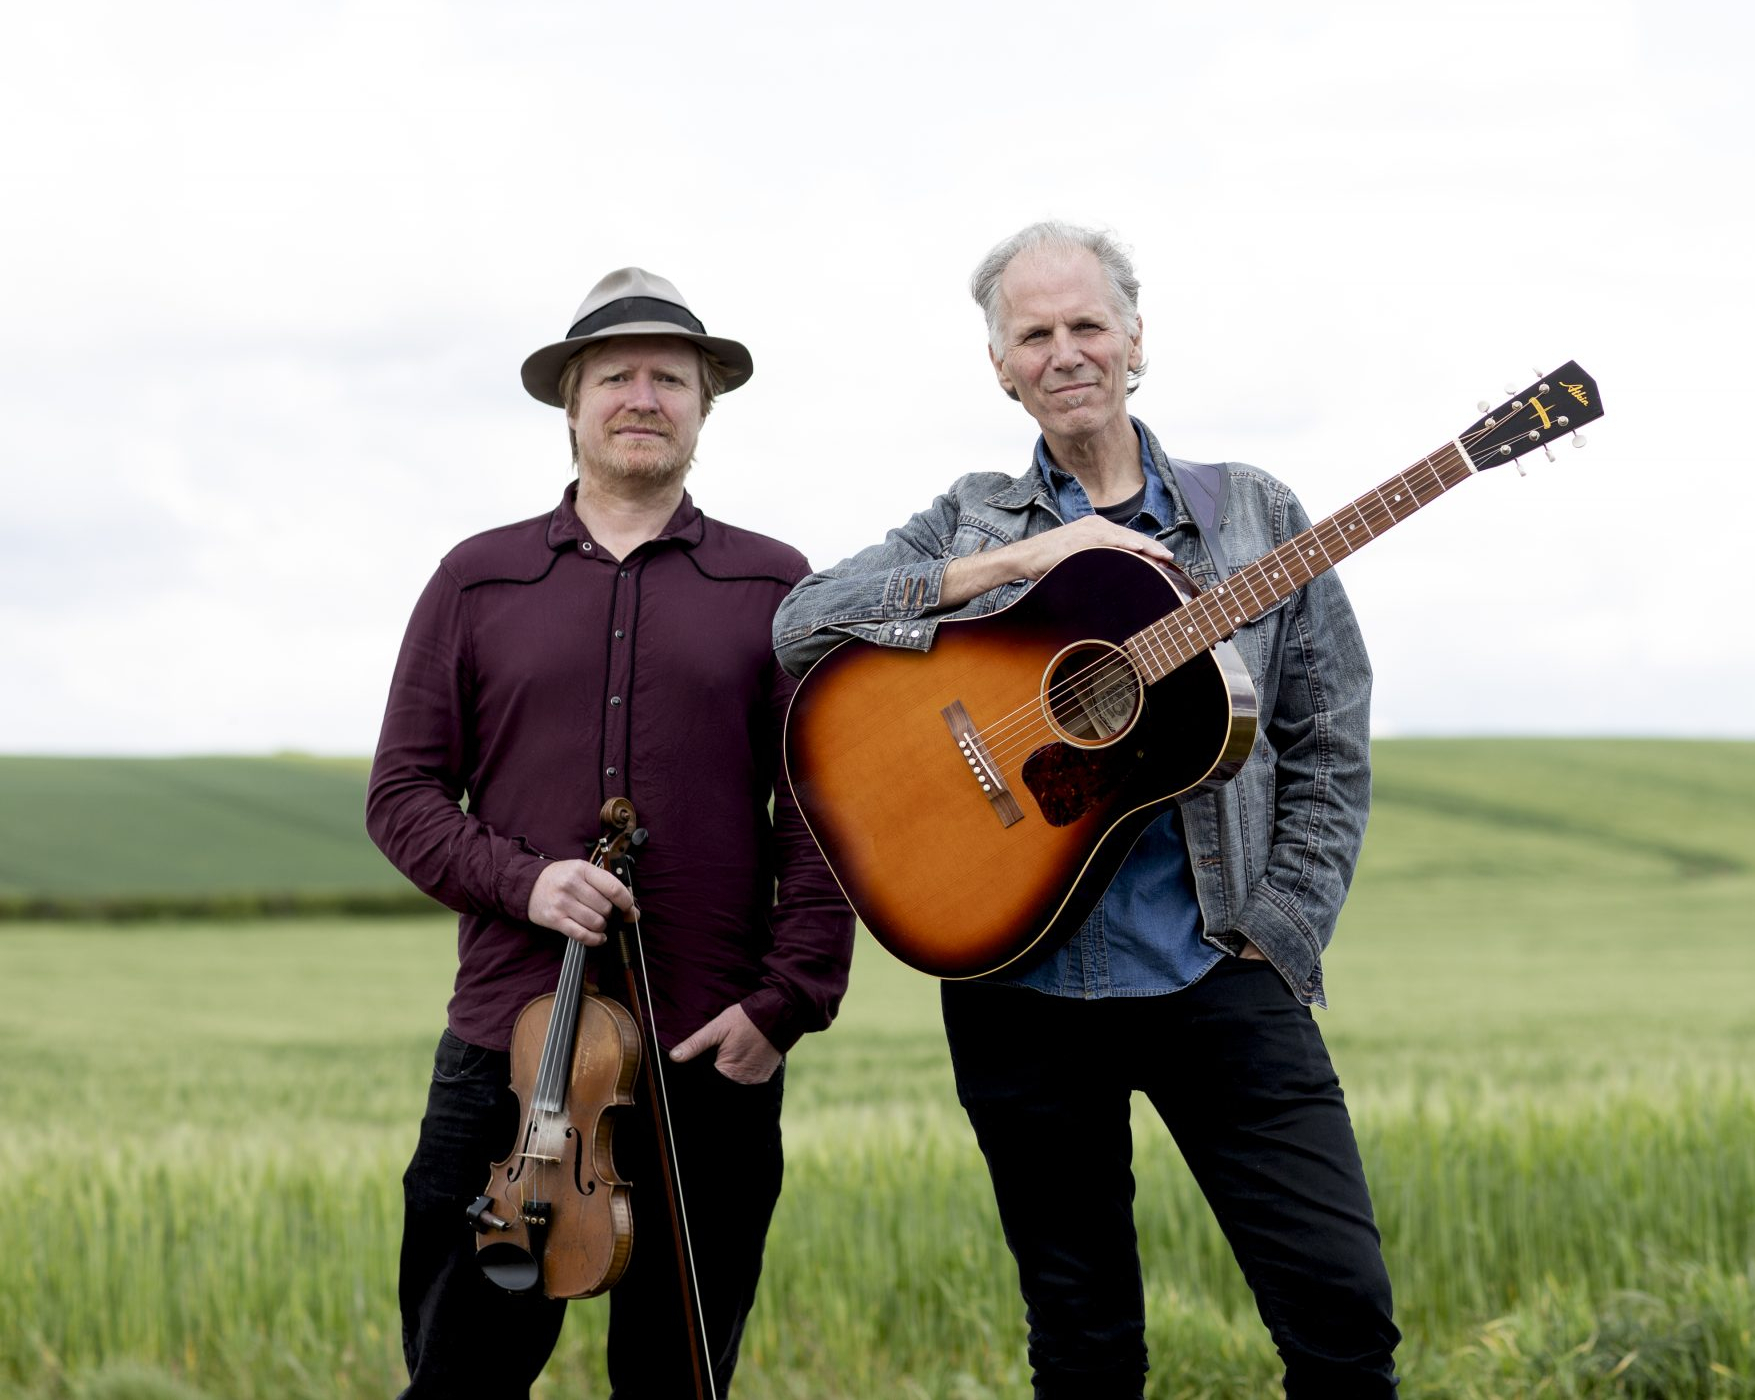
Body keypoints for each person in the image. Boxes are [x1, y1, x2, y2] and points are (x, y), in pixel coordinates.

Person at [774, 221, 1399, 1396]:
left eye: (1087, 326)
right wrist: (1014, 565)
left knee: (1340, 1312)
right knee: (1081, 1338)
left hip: (1216, 968)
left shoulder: (1253, 516)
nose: (1065, 352)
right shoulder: (969, 518)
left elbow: (1327, 742)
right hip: (1019, 990)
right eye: (1035, 334)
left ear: (1134, 340)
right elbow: (802, 620)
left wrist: (1279, 935)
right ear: (1001, 366)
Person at [368, 269, 854, 1399]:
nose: (644, 396)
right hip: (508, 1057)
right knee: (457, 1379)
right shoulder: (477, 579)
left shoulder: (776, 584)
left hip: (707, 1051)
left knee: (678, 1383)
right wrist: (526, 882)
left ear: (703, 406)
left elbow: (826, 816)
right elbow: (401, 794)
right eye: (617, 377)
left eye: (670, 379)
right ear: (573, 405)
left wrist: (789, 1003)